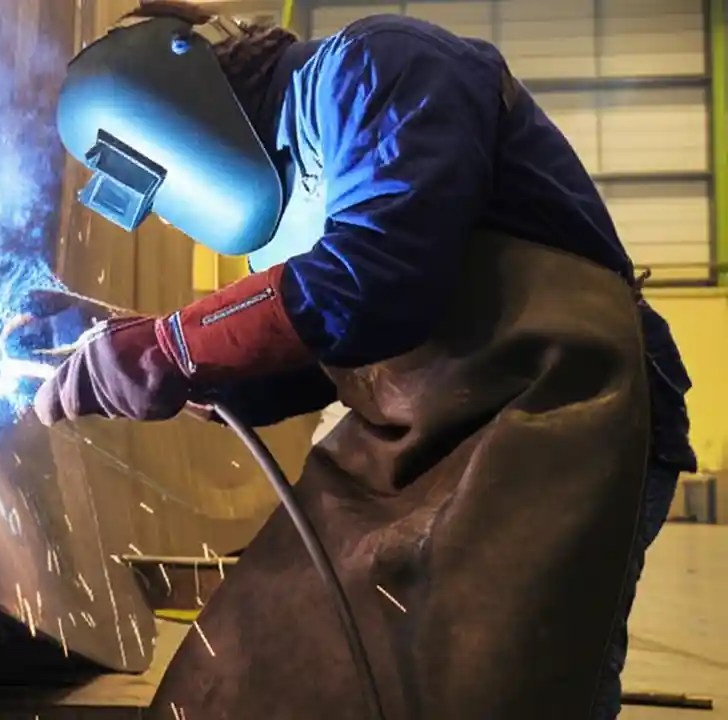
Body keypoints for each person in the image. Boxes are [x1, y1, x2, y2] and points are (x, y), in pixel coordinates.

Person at [35, 2, 696, 718]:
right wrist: (124, 344)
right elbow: (312, 357)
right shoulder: (287, 209)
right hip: (431, 441)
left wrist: (169, 347)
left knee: (512, 687)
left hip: (568, 412)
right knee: (279, 651)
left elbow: (375, 280)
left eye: (157, 182)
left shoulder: (373, 70)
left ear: (167, 108)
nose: (164, 211)